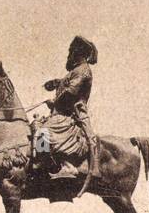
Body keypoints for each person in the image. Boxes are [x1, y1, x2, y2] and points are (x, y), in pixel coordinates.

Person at [30, 35, 98, 180]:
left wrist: (54, 102)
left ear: (77, 53)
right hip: (61, 113)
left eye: (71, 52)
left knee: (44, 131)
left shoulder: (83, 70)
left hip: (71, 115)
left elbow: (71, 91)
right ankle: (44, 161)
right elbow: (67, 82)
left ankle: (67, 165)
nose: (69, 55)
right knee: (36, 125)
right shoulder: (76, 70)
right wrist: (55, 82)